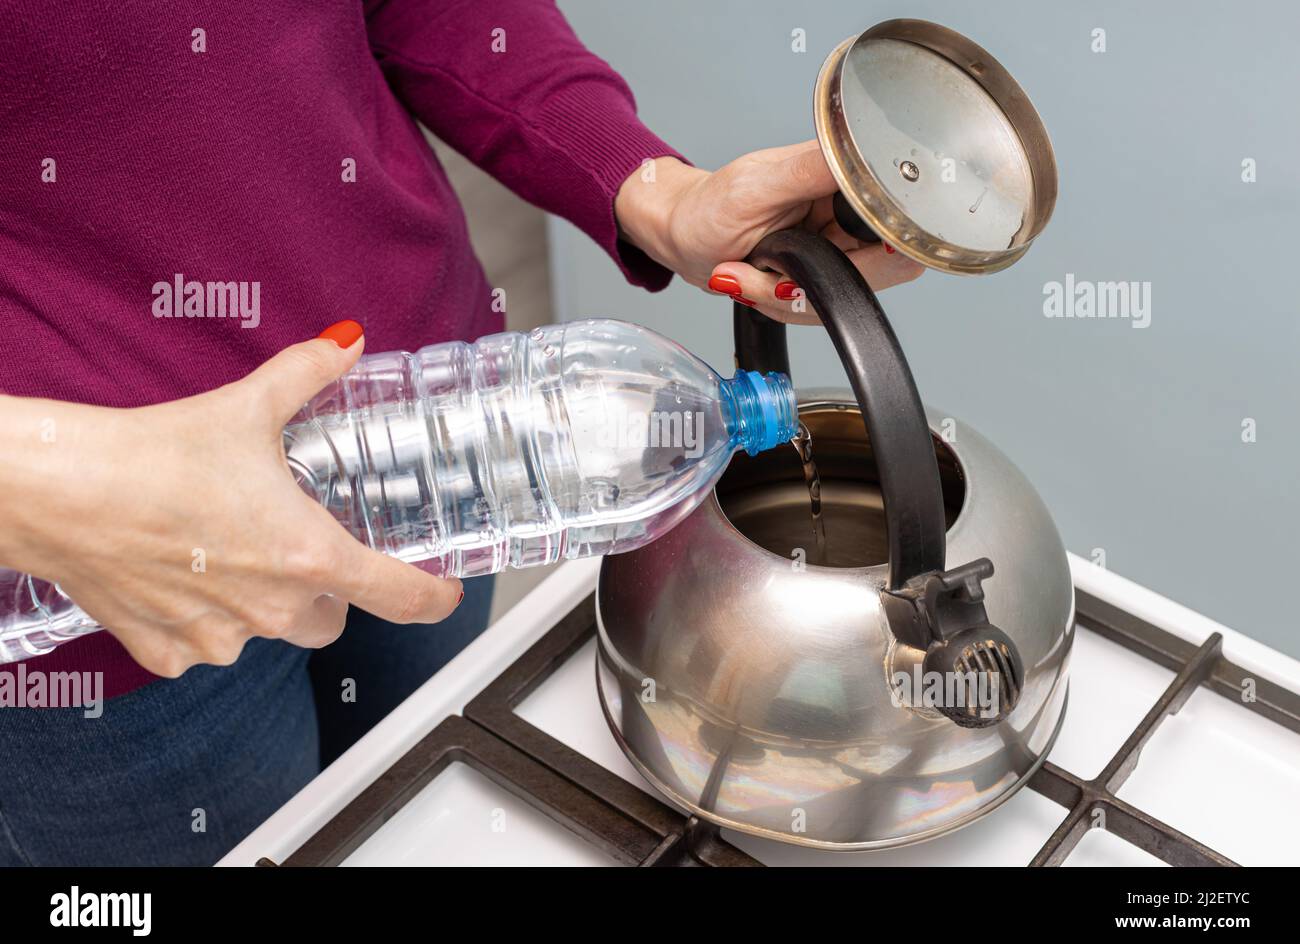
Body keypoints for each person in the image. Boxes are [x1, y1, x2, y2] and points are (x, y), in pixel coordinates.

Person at [0, 1, 922, 865]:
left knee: (419, 828)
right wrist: (44, 490)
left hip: (441, 454)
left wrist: (654, 189)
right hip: (110, 560)